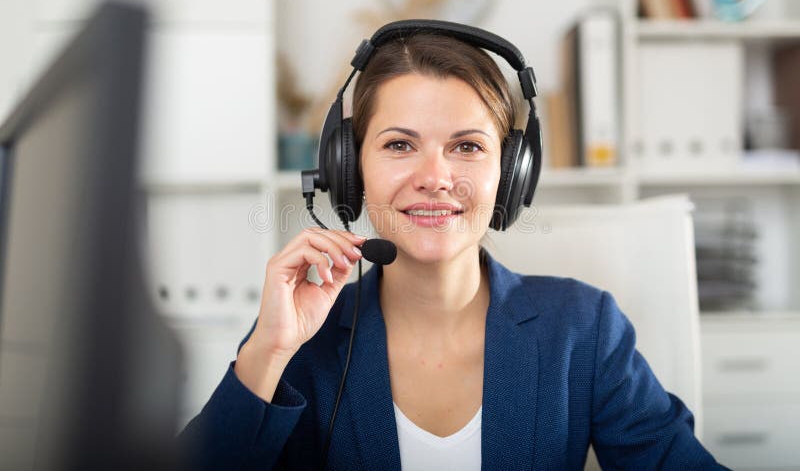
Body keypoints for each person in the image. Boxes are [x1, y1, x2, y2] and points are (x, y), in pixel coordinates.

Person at [180, 29, 728, 470]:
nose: (435, 177)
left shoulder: (584, 329)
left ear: (512, 175)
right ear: (348, 170)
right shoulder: (301, 341)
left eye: (467, 146)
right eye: (399, 145)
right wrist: (268, 353)